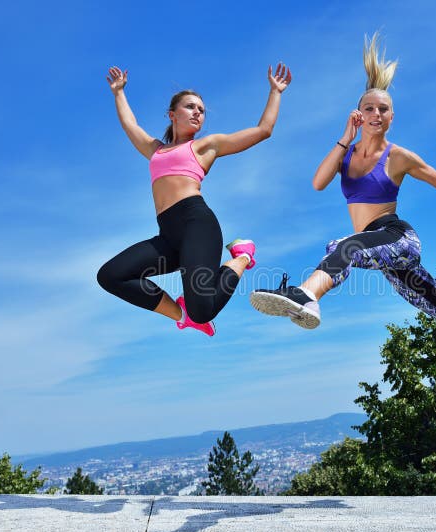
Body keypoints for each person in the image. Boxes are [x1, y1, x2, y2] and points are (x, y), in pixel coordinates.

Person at [250, 34, 436, 329]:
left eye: (383, 109)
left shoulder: (397, 156)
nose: (376, 114)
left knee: (344, 247)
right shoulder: (345, 153)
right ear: (359, 114)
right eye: (370, 108)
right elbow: (318, 183)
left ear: (392, 117)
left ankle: (307, 294)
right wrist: (345, 138)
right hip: (380, 253)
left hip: (395, 237)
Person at [98, 63, 292, 336]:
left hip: (196, 225)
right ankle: (182, 315)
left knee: (205, 308)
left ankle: (242, 257)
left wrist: (276, 92)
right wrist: (119, 93)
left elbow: (263, 130)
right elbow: (131, 125)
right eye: (190, 107)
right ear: (172, 115)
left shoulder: (205, 146)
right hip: (168, 235)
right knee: (111, 275)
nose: (198, 113)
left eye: (201, 110)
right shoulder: (156, 150)